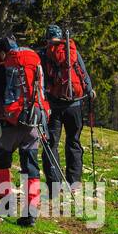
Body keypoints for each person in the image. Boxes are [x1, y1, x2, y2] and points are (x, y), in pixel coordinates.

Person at [0, 36, 50, 227]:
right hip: (32, 123)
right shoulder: (32, 67)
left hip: (8, 125)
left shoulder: (1, 71)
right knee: (30, 166)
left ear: (3, 53)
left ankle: (6, 204)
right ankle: (31, 212)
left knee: (1, 163)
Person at [40, 24, 94, 194]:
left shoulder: (44, 54)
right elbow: (83, 74)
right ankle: (74, 183)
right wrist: (89, 91)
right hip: (74, 104)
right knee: (74, 142)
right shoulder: (72, 52)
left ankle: (54, 185)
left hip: (54, 105)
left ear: (48, 38)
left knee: (51, 144)